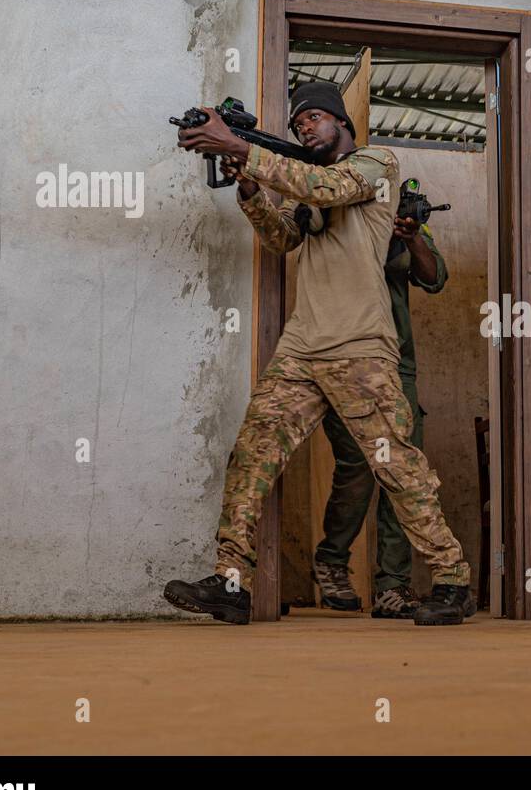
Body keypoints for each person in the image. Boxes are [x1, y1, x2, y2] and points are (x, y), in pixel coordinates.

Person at [163, 80, 475, 626]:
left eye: (313, 117)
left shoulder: (376, 163)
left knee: (398, 469)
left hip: (361, 347)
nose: (303, 125)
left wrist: (240, 148)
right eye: (297, 121)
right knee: (253, 456)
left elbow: (331, 189)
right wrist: (250, 189)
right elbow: (283, 239)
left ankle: (452, 579)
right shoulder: (304, 187)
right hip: (302, 348)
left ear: (342, 124)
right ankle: (231, 581)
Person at [313, 196, 450, 619]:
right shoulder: (334, 210)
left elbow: (434, 278)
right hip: (341, 356)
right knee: (357, 464)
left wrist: (411, 239)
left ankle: (394, 585)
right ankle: (332, 560)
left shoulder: (404, 224)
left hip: (395, 363)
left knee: (401, 470)